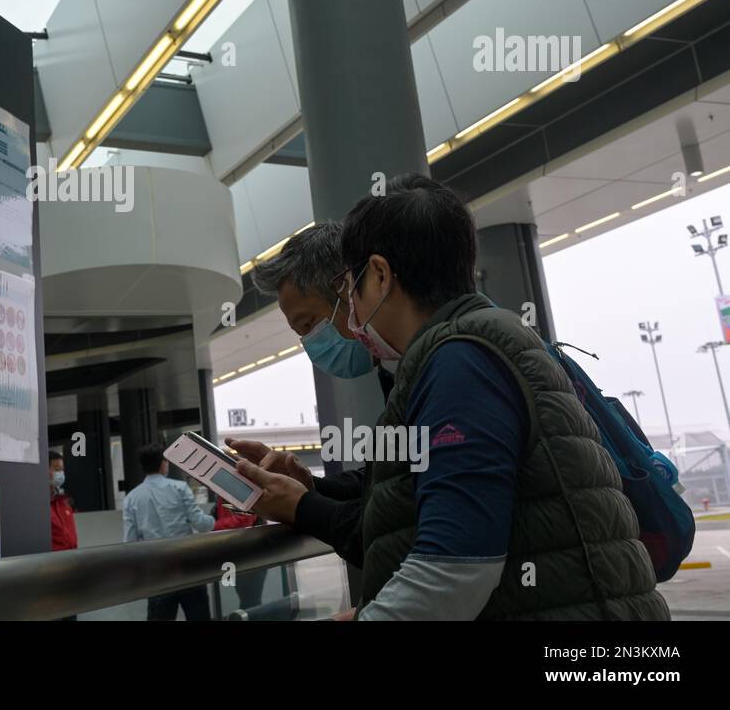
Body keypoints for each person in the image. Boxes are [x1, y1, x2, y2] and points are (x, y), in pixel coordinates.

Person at [234, 173, 669, 620]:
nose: (351, 313)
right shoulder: (467, 348)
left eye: (349, 289)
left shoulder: (460, 365)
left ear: (380, 276)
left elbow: (454, 569)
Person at [232, 221, 380, 569]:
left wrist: (300, 506)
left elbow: (405, 538)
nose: (311, 342)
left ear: (349, 290)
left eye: (310, 323)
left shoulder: (451, 365)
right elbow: (388, 484)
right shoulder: (403, 369)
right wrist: (310, 484)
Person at [122, 443, 215, 620]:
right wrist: (214, 519)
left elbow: (129, 542)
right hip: (188, 568)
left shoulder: (131, 498)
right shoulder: (179, 488)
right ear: (163, 463)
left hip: (157, 572)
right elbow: (202, 524)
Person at [48, 451, 77, 553]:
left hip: (72, 558)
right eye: (57, 469)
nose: (60, 473)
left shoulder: (64, 502)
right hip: (53, 563)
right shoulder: (39, 505)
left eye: (62, 470)